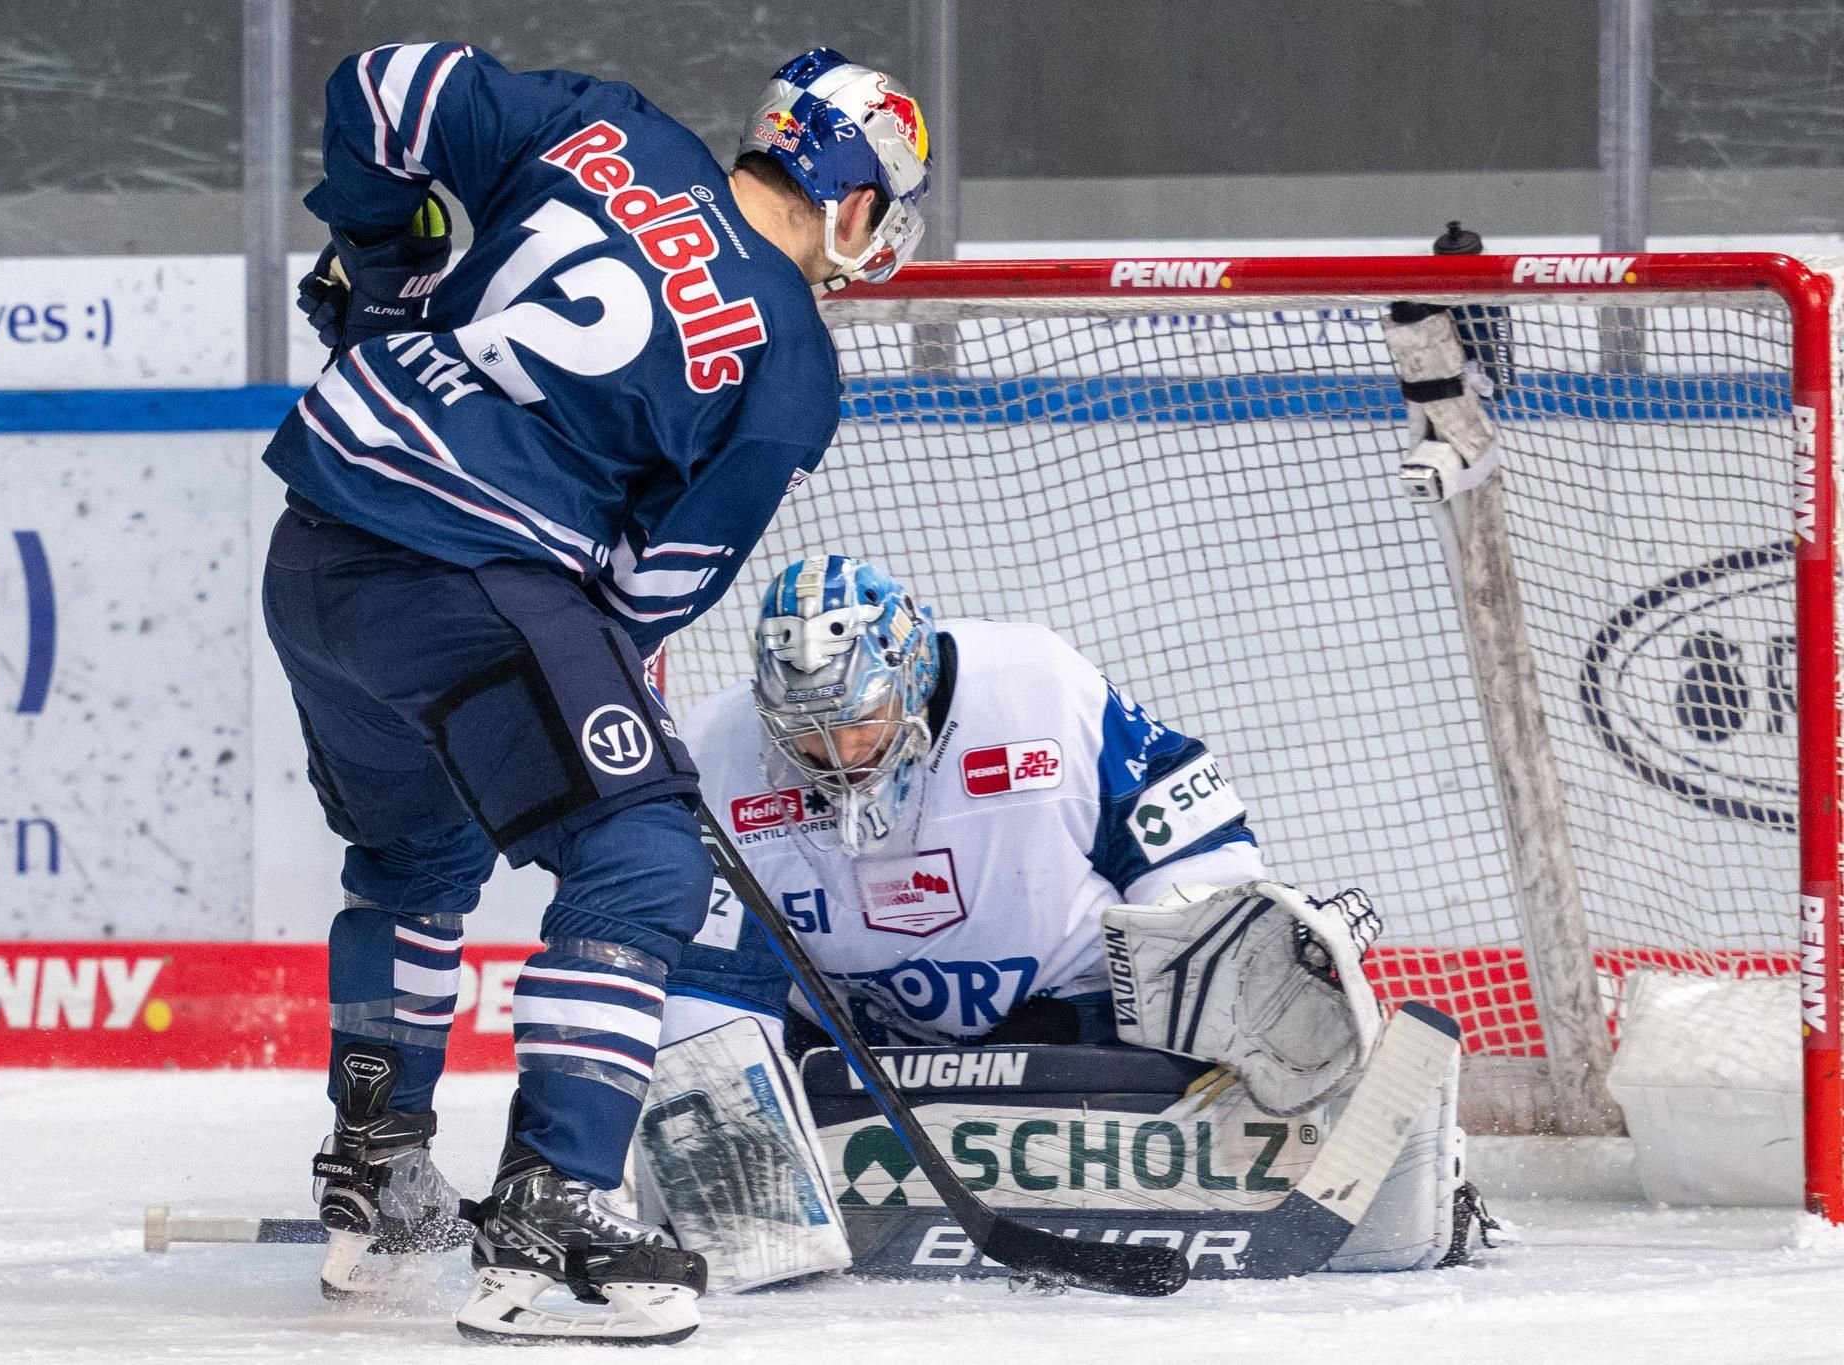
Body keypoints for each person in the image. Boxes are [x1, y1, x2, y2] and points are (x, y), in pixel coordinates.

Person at [259, 42, 930, 1343]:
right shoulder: (790, 360)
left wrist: (387, 261)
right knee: (639, 854)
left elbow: (375, 88)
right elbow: (644, 594)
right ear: (855, 203)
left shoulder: (606, 128)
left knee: (413, 859)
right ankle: (550, 1212)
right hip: (462, 570)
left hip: (315, 550)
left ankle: (377, 1188)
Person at [630, 555, 1468, 1291]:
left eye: (858, 724)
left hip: (1078, 1018)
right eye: (808, 740)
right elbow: (714, 978)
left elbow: (1185, 830)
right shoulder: (718, 747)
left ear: (912, 673)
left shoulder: (1035, 686)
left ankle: (1346, 1149)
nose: (841, 756)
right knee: (687, 1029)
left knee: (1233, 951)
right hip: (862, 1041)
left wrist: (1234, 961)